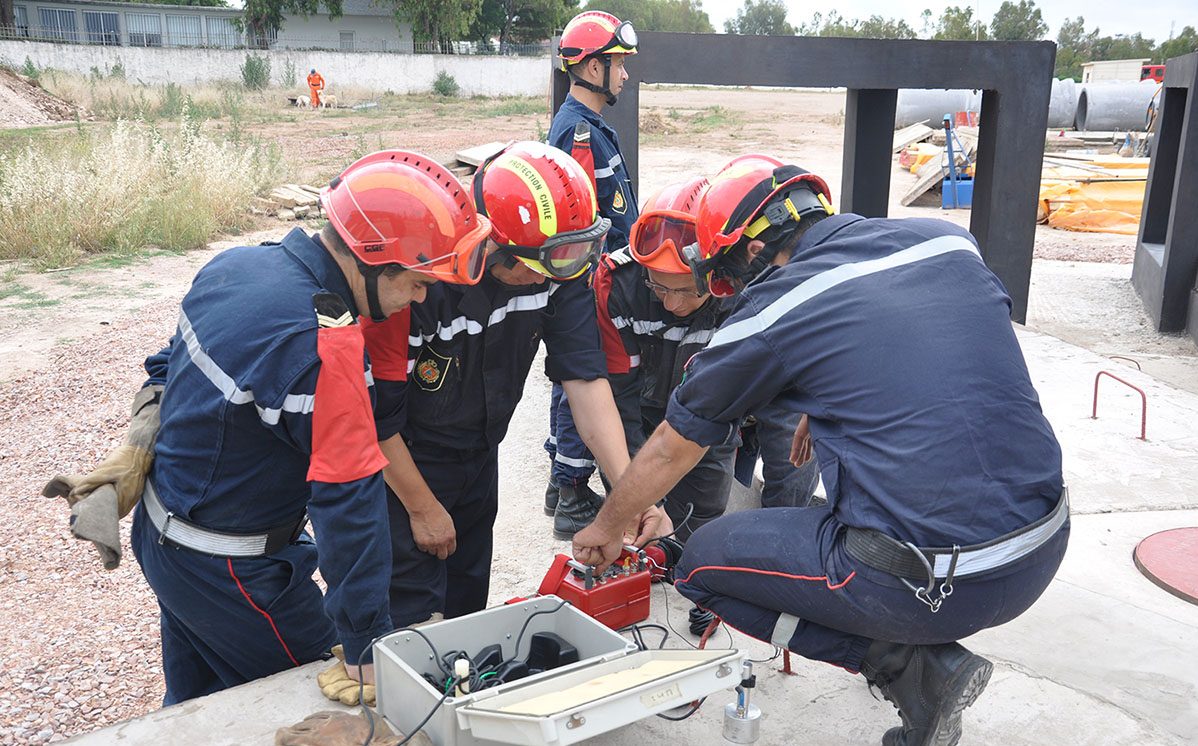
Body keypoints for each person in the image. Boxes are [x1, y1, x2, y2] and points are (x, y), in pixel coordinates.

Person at [573, 156, 1070, 746]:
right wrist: (823, 388)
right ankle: (920, 661)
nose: (730, 294)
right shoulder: (947, 242)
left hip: (929, 582)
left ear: (752, 253)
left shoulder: (780, 304)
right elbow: (926, 348)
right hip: (1041, 548)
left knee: (700, 566)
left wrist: (608, 525)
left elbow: (671, 448)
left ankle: (907, 666)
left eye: (725, 279)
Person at [130, 149, 491, 705]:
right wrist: (366, 645)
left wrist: (136, 442)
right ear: (373, 261)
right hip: (233, 571)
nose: (420, 298)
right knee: (315, 702)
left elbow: (166, 365)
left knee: (197, 709)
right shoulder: (326, 347)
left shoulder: (238, 266)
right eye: (418, 283)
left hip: (166, 536)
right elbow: (349, 506)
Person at [363, 141, 668, 628]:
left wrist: (630, 497)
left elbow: (585, 382)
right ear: (492, 245)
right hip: (401, 468)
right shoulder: (422, 284)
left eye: (576, 254)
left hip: (480, 456)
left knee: (466, 604)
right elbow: (374, 418)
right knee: (409, 612)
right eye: (552, 260)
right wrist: (421, 508)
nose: (562, 271)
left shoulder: (556, 268)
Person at [595, 172, 819, 634]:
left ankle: (720, 578)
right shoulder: (618, 284)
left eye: (685, 289)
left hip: (736, 410)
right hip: (653, 410)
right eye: (659, 287)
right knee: (648, 511)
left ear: (716, 271)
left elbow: (784, 424)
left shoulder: (754, 286)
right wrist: (635, 500)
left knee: (715, 509)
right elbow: (617, 407)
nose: (671, 303)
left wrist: (781, 540)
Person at [542, 10, 641, 529]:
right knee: (583, 373)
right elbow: (579, 221)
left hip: (597, 275)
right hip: (591, 279)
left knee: (575, 374)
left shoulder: (590, 126)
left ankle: (561, 482)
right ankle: (571, 492)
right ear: (592, 68)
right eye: (617, 64)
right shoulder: (580, 133)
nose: (624, 73)